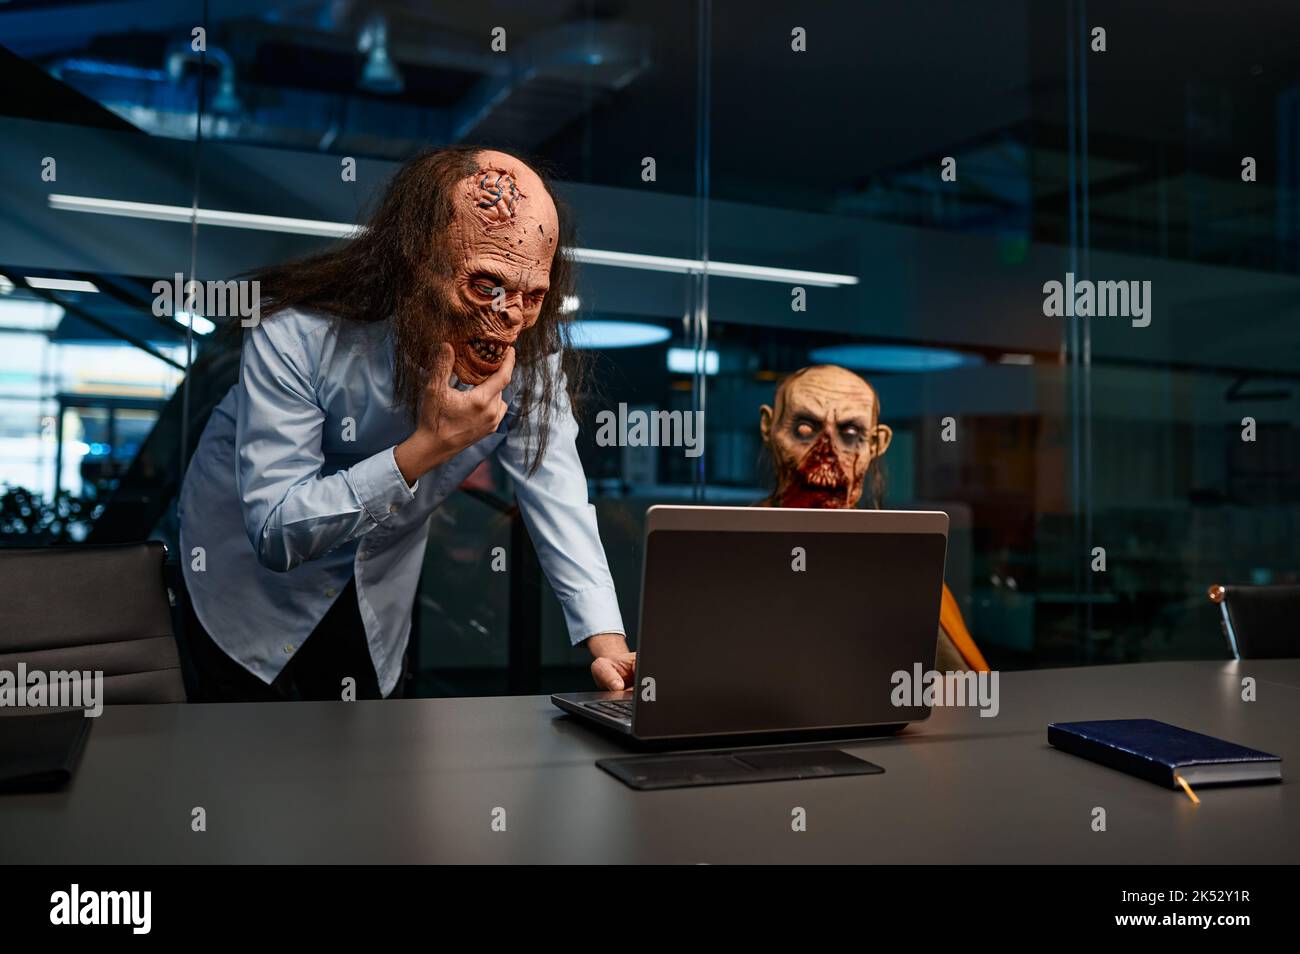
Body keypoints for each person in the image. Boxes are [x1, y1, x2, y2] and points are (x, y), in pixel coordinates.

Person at [178, 146, 636, 701]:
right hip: (242, 585)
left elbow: (556, 490)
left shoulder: (528, 357)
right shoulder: (297, 335)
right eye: (485, 285)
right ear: (418, 259)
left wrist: (607, 644)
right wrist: (427, 447)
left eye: (531, 295)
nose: (510, 318)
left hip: (378, 589)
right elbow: (276, 533)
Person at [758, 364, 989, 672]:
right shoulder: (731, 553)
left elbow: (966, 687)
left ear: (877, 444)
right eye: (804, 429)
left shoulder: (903, 569)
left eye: (850, 434)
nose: (825, 454)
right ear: (769, 428)